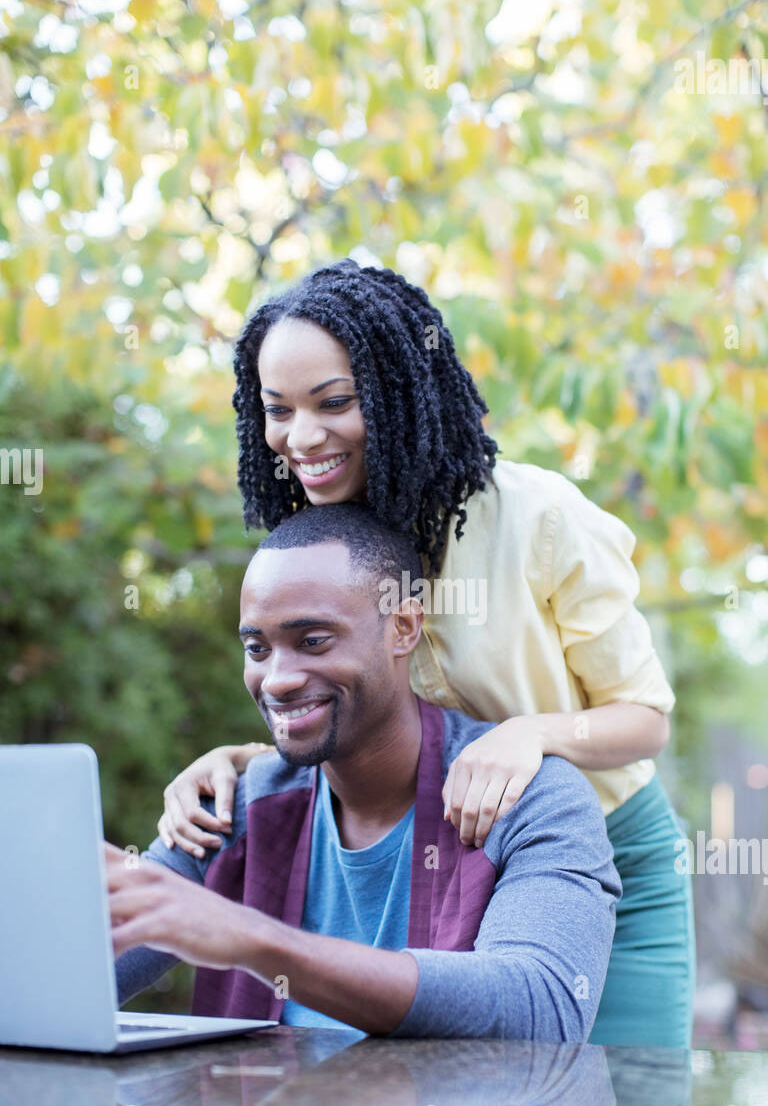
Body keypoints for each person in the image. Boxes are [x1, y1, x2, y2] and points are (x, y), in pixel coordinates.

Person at [155, 259, 695, 1047]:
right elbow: (367, 709)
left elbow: (645, 720)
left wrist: (531, 734)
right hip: (457, 852)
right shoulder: (333, 539)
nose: (303, 437)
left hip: (597, 842)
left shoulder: (537, 519)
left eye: (334, 402)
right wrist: (241, 760)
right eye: (279, 410)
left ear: (399, 389)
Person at [110, 503, 621, 1040]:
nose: (277, 679)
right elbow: (81, 977)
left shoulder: (533, 799)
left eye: (313, 641)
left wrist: (253, 938)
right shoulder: (233, 806)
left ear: (402, 628)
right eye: (257, 648)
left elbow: (541, 1010)